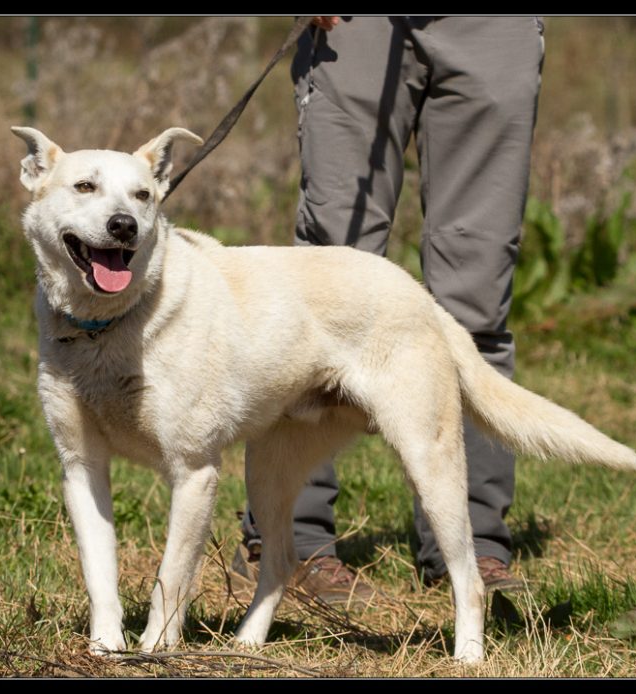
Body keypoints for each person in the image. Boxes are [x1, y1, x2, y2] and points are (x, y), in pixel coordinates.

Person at [234, 16, 546, 605]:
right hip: (358, 26)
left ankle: (471, 544)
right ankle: (287, 544)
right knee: (324, 288)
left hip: (490, 28)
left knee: (477, 292)